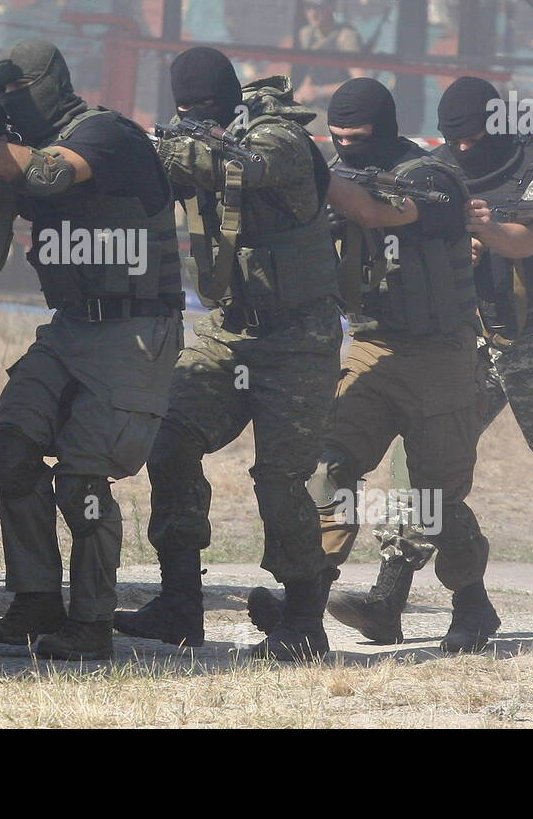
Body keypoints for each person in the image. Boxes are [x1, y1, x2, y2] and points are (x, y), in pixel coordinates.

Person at [333, 76, 533, 641]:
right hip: (471, 339)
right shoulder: (435, 173)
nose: (463, 150)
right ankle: (391, 595)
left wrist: (488, 230)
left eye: (474, 138)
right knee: (424, 467)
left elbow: (529, 239)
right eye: (452, 139)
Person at [251, 77, 500, 653]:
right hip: (373, 346)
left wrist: (311, 171)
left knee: (433, 499)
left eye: (357, 138)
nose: (345, 148)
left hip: (443, 358)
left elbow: (371, 211)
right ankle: (305, 612)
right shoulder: (348, 177)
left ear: (384, 132)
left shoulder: (433, 180)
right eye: (334, 139)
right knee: (329, 468)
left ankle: (472, 604)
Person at [112, 48, 341, 661]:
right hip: (229, 329)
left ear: (228, 100)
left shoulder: (280, 137)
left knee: (281, 479)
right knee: (169, 437)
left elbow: (240, 167)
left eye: (202, 108)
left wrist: (155, 144)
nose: (192, 117)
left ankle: (301, 622)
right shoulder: (198, 139)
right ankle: (180, 604)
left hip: (300, 340)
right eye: (183, 109)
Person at [0, 37, 184, 661]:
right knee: (15, 442)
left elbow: (49, 173)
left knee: (82, 478)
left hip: (133, 328)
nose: (11, 104)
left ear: (50, 84)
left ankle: (91, 622)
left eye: (17, 91)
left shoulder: (109, 135)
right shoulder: (10, 151)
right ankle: (36, 598)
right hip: (69, 328)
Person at [293, 0, 366, 114]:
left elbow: (360, 83)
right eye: (307, 8)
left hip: (342, 111)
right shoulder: (306, 34)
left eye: (318, 7)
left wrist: (320, 91)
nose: (312, 13)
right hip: (314, 107)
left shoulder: (346, 37)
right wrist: (302, 92)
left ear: (332, 7)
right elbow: (313, 71)